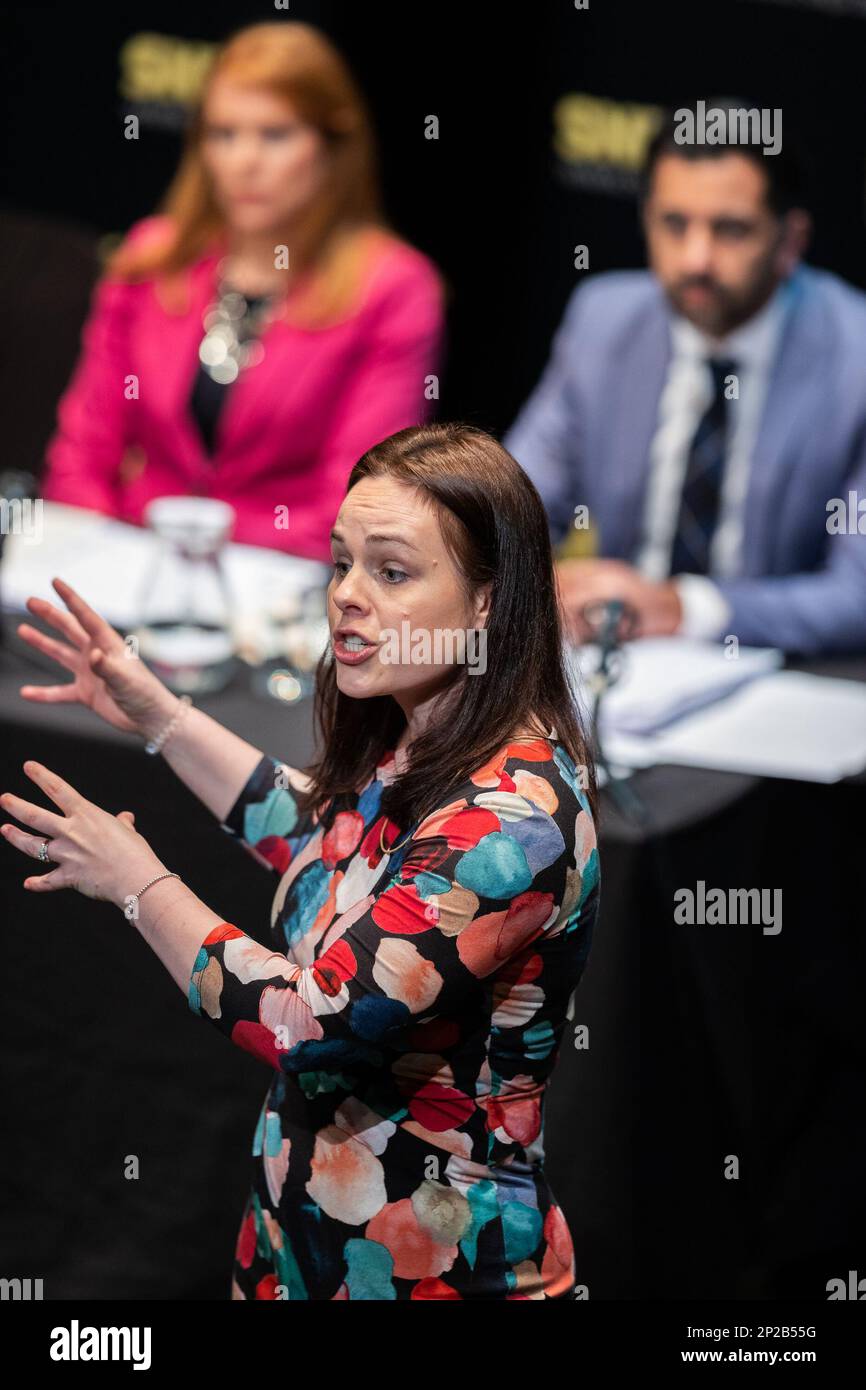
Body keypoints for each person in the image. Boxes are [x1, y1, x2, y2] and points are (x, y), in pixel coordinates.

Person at [2, 423, 601, 1301]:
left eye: (391, 572)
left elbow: (306, 1022)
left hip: (434, 1273)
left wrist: (136, 882)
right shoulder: (422, 735)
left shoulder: (516, 821)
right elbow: (328, 841)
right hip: (306, 1242)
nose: (347, 596)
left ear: (487, 605)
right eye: (340, 563)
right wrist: (158, 714)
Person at [41, 22, 444, 563]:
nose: (244, 161)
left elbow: (361, 507)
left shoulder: (393, 288)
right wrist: (98, 558)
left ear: (333, 146)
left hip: (286, 591)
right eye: (224, 134)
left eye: (275, 135)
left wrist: (194, 548)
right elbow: (82, 455)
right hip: (129, 571)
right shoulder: (152, 257)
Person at [505, 97, 866, 656]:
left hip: (784, 680)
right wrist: (525, 583)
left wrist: (683, 608)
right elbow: (510, 509)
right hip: (619, 667)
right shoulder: (603, 321)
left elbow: (857, 594)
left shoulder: (855, 353)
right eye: (674, 224)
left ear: (790, 241)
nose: (696, 259)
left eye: (731, 230)